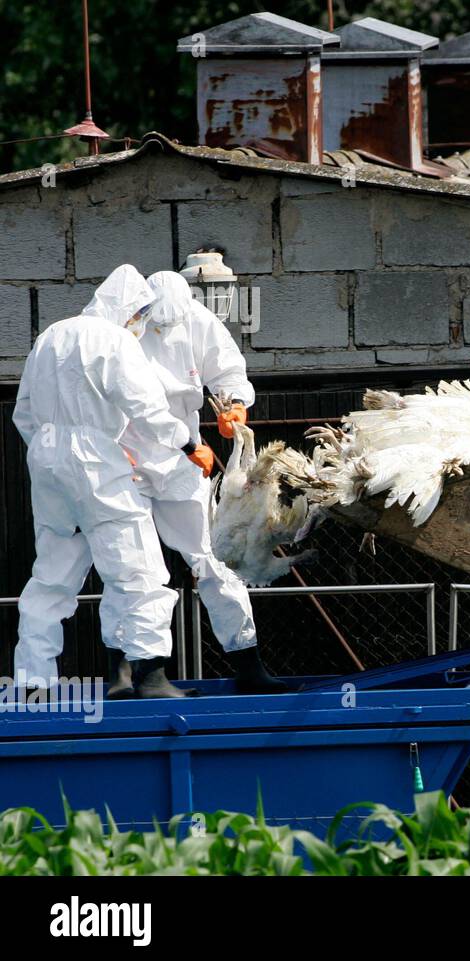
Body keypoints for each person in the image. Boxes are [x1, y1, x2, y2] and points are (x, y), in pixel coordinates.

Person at [11, 265, 214, 699]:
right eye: (140, 315)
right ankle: (151, 677)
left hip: (45, 463)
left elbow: (23, 411)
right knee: (137, 566)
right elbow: (146, 406)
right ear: (129, 310)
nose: (140, 324)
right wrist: (190, 444)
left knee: (51, 575)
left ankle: (32, 680)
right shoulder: (114, 338)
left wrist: (53, 450)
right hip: (95, 463)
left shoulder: (50, 335)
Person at [119, 270, 286, 694]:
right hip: (129, 456)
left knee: (216, 558)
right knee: (129, 565)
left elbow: (227, 369)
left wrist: (234, 409)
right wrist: (188, 442)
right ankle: (135, 673)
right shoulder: (122, 324)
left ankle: (248, 666)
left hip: (181, 460)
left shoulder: (196, 318)